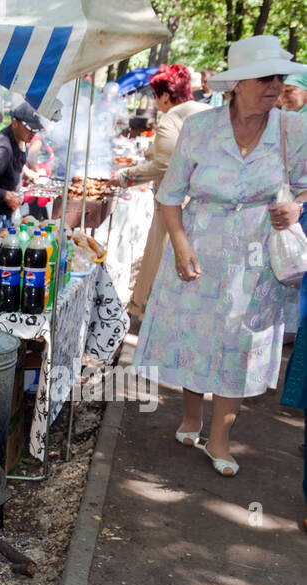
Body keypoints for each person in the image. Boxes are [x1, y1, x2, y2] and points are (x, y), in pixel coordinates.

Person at [133, 36, 307, 478]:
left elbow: (306, 183)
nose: (275, 86)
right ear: (238, 84)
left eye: (279, 77)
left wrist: (298, 205)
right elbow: (170, 195)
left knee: (239, 344)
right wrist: (180, 244)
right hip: (200, 244)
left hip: (258, 253)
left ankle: (220, 439)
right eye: (265, 77)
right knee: (198, 335)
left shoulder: (294, 130)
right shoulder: (200, 128)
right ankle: (191, 417)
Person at [111, 65, 209, 318]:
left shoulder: (172, 118)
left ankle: (152, 312)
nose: (156, 101)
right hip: (202, 200)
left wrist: (123, 177)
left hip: (173, 203)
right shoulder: (208, 112)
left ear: (166, 95)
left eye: (157, 95)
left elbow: (164, 164)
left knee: (163, 257)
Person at [0, 103, 44, 231]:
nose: (32, 133)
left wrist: (27, 172)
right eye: (29, 128)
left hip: (6, 213)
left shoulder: (20, 138)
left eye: (35, 130)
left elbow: (14, 160)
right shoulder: (2, 148)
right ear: (15, 122)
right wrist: (7, 196)